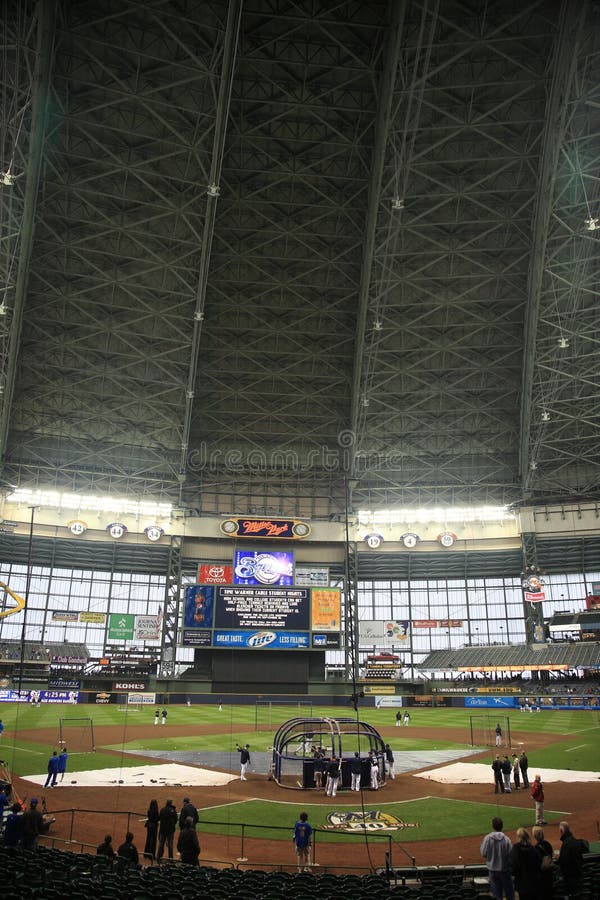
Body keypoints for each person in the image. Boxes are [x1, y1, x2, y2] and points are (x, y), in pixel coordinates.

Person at [480, 816, 515, 900]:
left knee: (497, 896)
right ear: (502, 826)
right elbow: (511, 856)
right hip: (505, 871)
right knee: (510, 895)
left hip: (493, 871)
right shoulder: (506, 839)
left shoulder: (488, 838)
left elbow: (483, 853)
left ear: (493, 826)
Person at [557, 820, 589, 898]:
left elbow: (563, 861)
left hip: (570, 877)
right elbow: (585, 845)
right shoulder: (576, 841)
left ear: (562, 831)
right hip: (578, 874)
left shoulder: (566, 844)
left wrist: (559, 857)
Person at [510, 828, 541, 900]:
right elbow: (538, 864)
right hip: (534, 882)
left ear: (518, 837)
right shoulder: (533, 849)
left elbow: (513, 867)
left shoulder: (516, 849)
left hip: (522, 883)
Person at [532, 826, 554, 897]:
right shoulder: (548, 844)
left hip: (541, 876)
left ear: (535, 836)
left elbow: (536, 863)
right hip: (550, 873)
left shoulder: (535, 848)